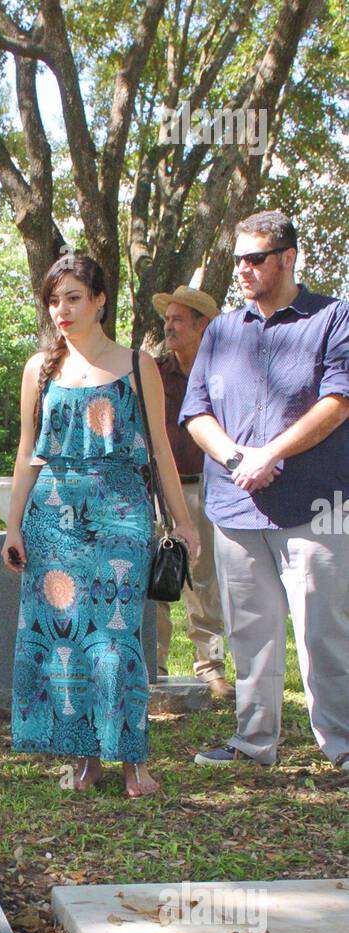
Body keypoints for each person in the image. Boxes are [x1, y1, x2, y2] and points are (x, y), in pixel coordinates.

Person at [4, 252, 199, 798]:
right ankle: (85, 758)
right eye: (53, 299)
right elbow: (26, 453)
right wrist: (13, 525)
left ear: (99, 300)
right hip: (52, 517)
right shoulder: (39, 369)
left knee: (115, 636)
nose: (60, 310)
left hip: (121, 508)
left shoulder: (138, 365)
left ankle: (132, 760)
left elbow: (160, 449)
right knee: (64, 639)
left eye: (72, 297)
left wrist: (183, 524)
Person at [180, 210, 349, 768]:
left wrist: (269, 454)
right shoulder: (223, 330)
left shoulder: (333, 318)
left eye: (255, 259)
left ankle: (342, 746)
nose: (244, 270)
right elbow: (196, 411)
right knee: (250, 637)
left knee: (325, 634)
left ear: (288, 257)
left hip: (315, 508)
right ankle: (254, 745)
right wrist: (235, 458)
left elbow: (338, 403)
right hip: (235, 506)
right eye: (238, 260)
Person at [152, 286, 233, 700]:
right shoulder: (152, 370)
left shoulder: (224, 370)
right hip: (158, 491)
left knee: (205, 584)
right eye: (167, 319)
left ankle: (212, 668)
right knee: (155, 579)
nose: (169, 326)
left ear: (202, 325)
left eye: (179, 319)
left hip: (207, 486)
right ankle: (154, 664)